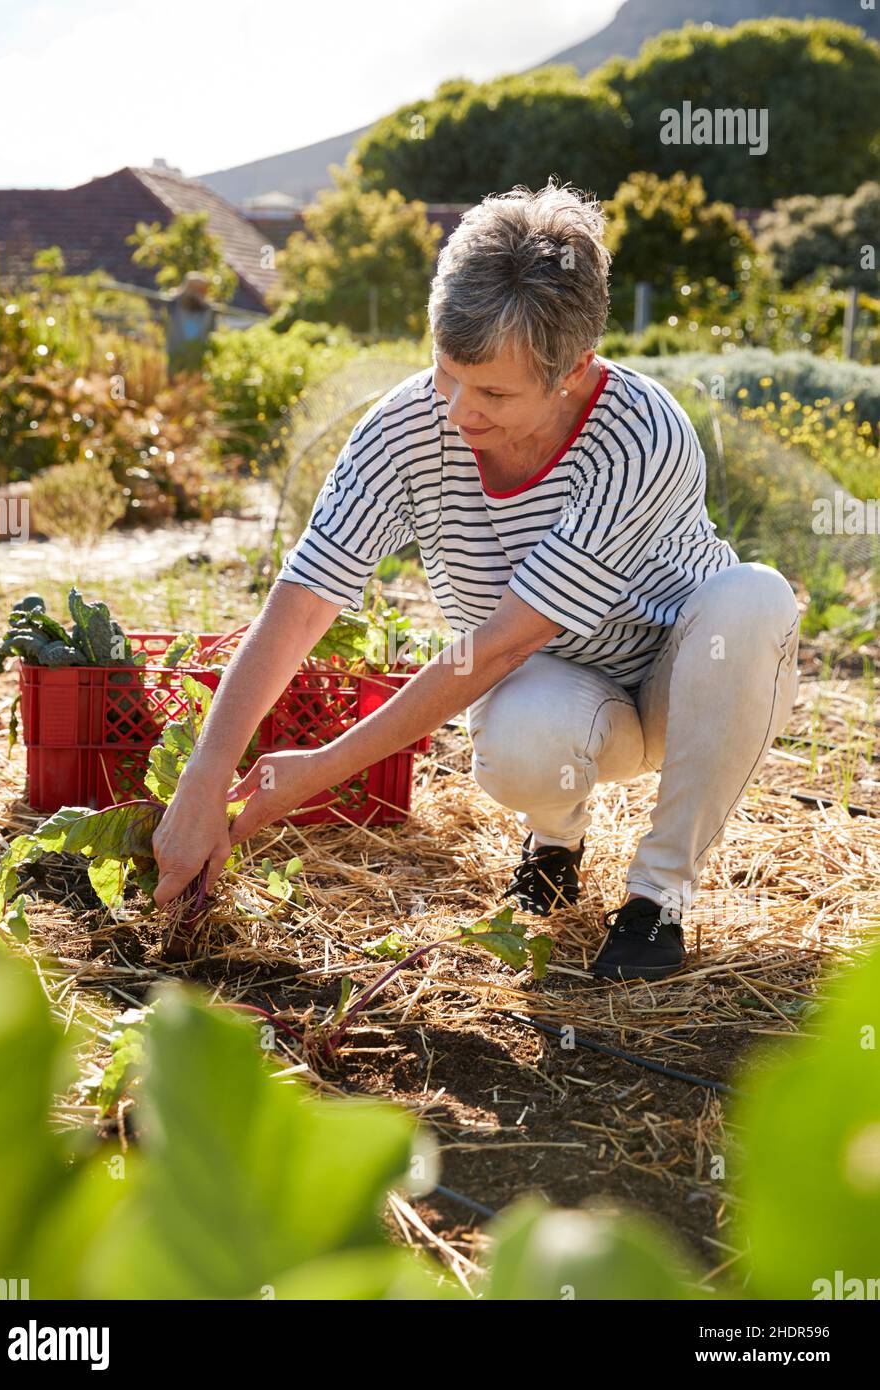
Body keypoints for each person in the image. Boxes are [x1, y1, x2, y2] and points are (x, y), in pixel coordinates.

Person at [152, 179, 800, 982]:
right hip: (557, 685)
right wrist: (206, 775)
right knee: (521, 743)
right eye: (446, 369)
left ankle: (656, 897)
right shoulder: (401, 427)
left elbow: (496, 645)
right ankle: (554, 841)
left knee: (755, 598)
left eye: (494, 391)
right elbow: (303, 598)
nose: (459, 409)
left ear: (575, 371)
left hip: (681, 686)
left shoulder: (640, 434)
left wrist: (319, 769)